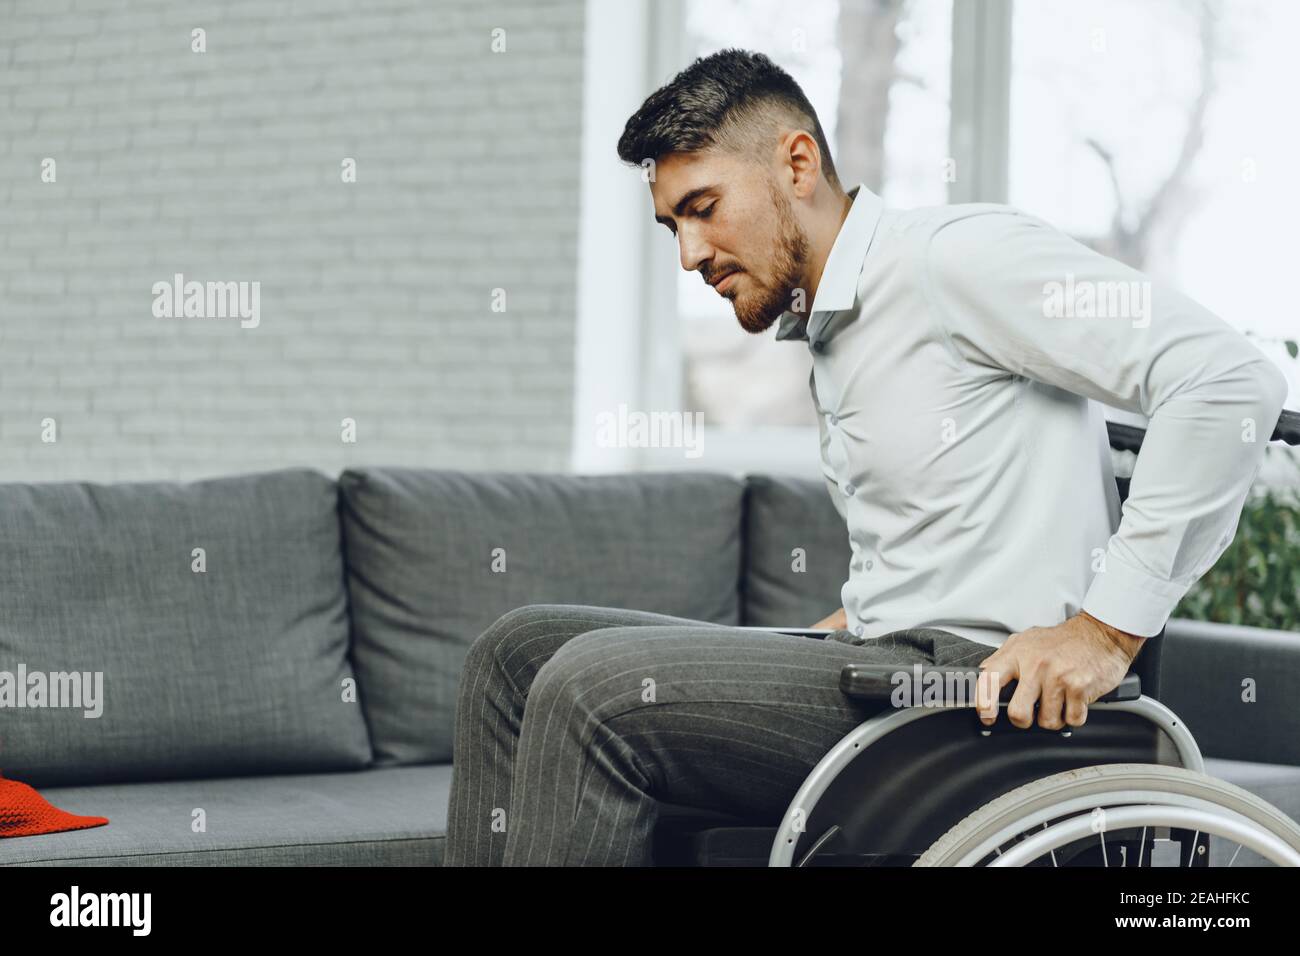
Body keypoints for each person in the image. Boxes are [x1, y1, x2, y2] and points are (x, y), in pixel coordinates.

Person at [442, 49, 1288, 867]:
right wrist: (844, 624)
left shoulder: (951, 258)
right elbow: (941, 534)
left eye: (702, 207)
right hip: (887, 669)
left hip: (967, 704)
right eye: (673, 225)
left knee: (592, 688)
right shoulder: (834, 331)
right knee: (514, 651)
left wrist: (1103, 632)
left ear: (797, 164)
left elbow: (1226, 377)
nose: (688, 255)